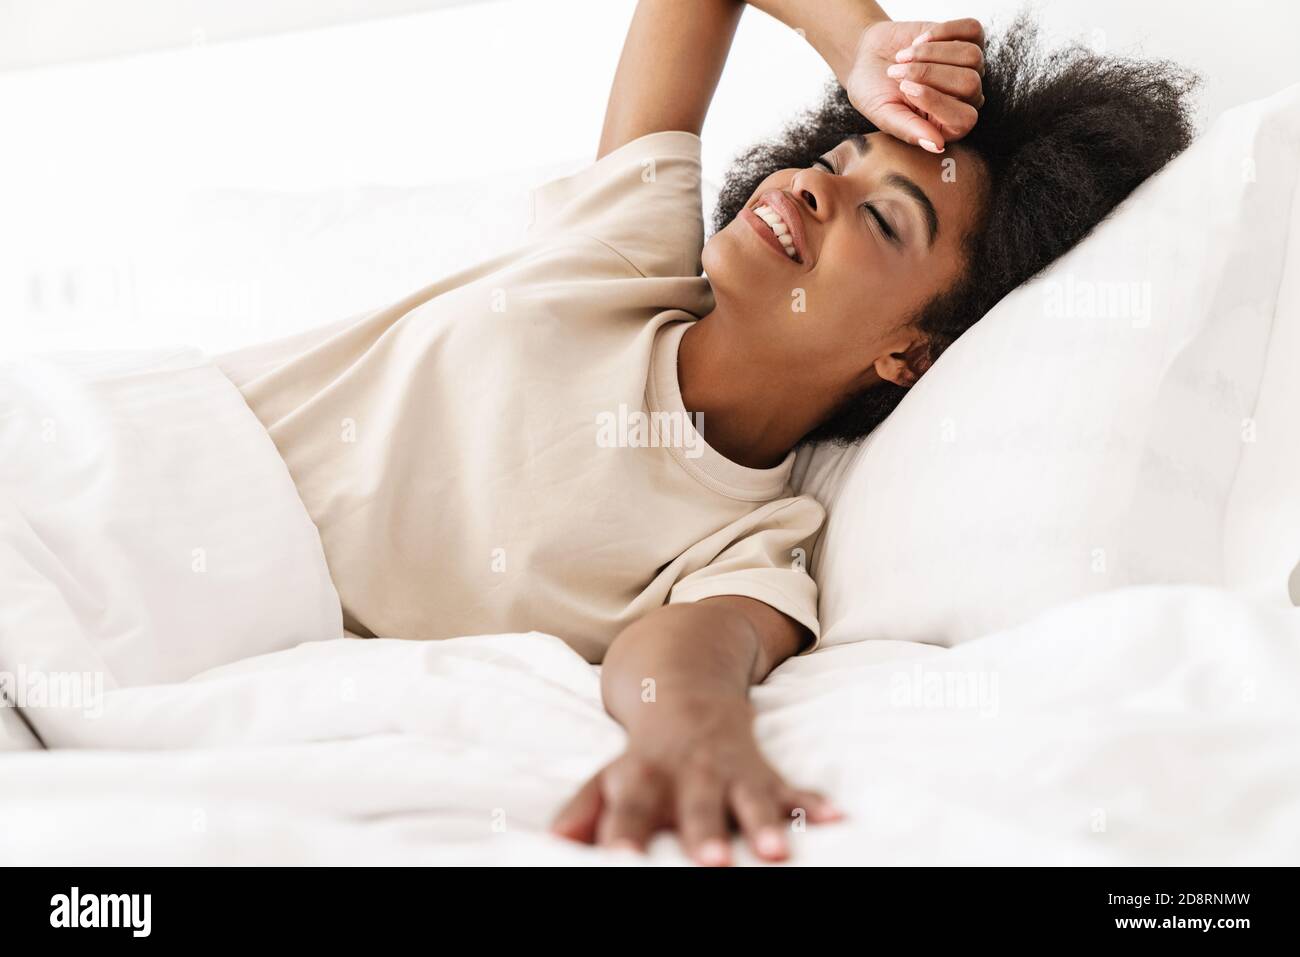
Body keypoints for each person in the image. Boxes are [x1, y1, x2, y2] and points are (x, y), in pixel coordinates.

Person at [214, 0, 1196, 866]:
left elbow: (687, 658)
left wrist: (691, 735)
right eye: (843, 152)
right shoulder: (623, 255)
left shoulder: (750, 543)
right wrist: (865, 50)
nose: (818, 184)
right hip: (137, 449)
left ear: (911, 355)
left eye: (883, 221)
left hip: (203, 614)